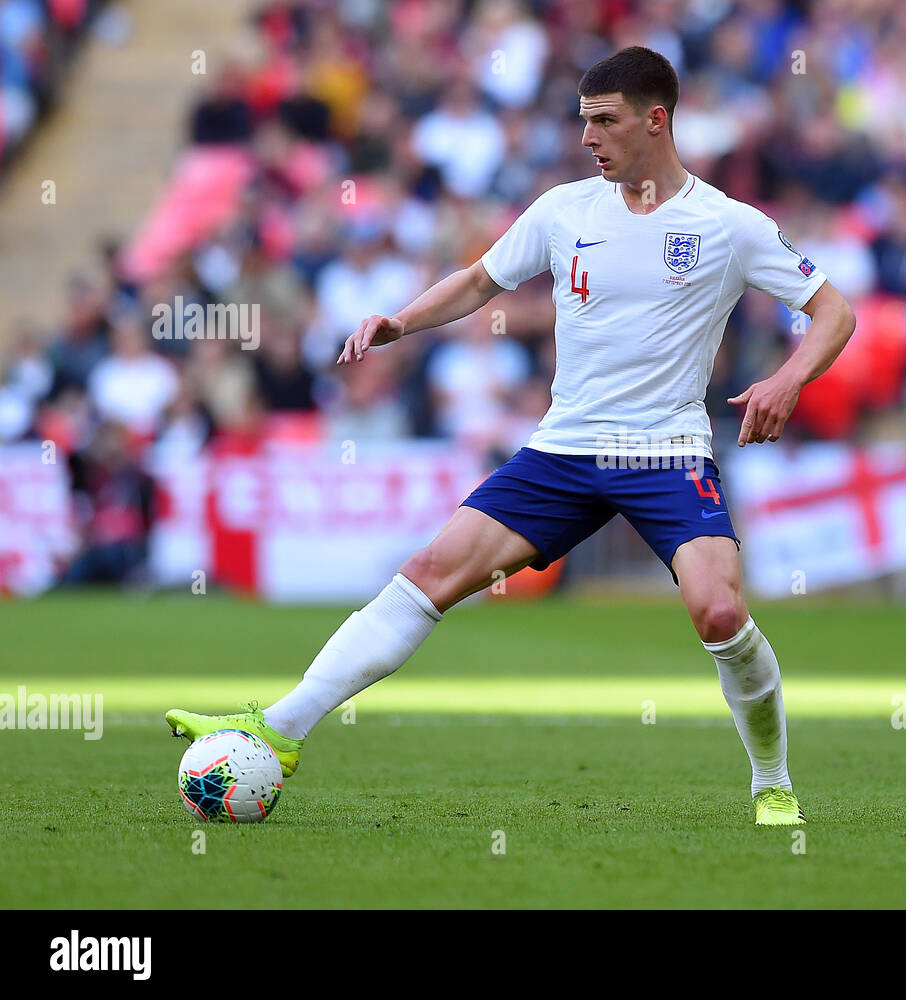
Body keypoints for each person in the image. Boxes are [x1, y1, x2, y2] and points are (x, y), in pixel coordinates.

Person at [166, 46, 856, 826]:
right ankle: (279, 729)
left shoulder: (729, 224)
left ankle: (772, 783)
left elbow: (835, 311)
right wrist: (402, 320)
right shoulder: (564, 210)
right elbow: (479, 281)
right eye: (583, 120)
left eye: (606, 120)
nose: (589, 137)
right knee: (429, 571)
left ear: (656, 120)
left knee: (720, 615)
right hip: (563, 448)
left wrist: (786, 378)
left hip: (666, 452)